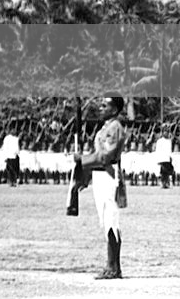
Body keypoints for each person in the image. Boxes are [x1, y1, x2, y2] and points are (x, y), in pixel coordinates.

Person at [74, 94, 126, 280]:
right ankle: (111, 266)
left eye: (105, 105)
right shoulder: (105, 127)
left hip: (108, 175)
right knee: (105, 223)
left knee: (111, 221)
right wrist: (85, 178)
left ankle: (114, 267)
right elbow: (98, 154)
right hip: (100, 175)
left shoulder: (115, 127)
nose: (101, 108)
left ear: (115, 109)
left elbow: (105, 156)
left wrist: (83, 160)